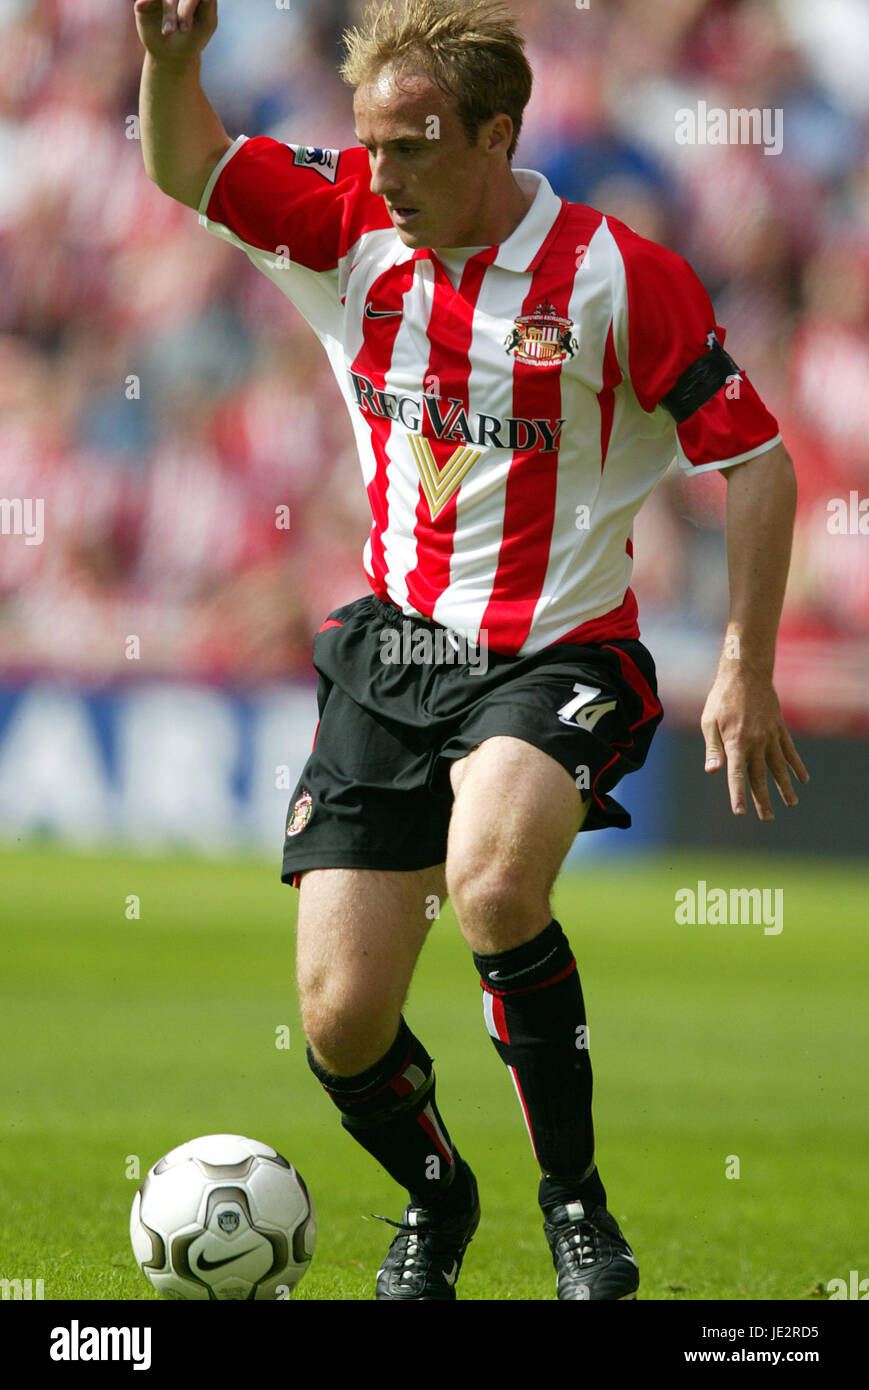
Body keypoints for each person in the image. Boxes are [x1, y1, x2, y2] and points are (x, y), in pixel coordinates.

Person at [134, 0, 809, 1301]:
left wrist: (745, 657)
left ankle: (576, 1211)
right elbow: (186, 165)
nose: (381, 174)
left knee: (493, 886)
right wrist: (173, 66)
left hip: (558, 655)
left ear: (498, 134)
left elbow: (759, 461)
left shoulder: (616, 276)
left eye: (416, 145)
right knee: (337, 1016)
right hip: (391, 654)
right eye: (370, 143)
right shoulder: (348, 226)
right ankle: (437, 1199)